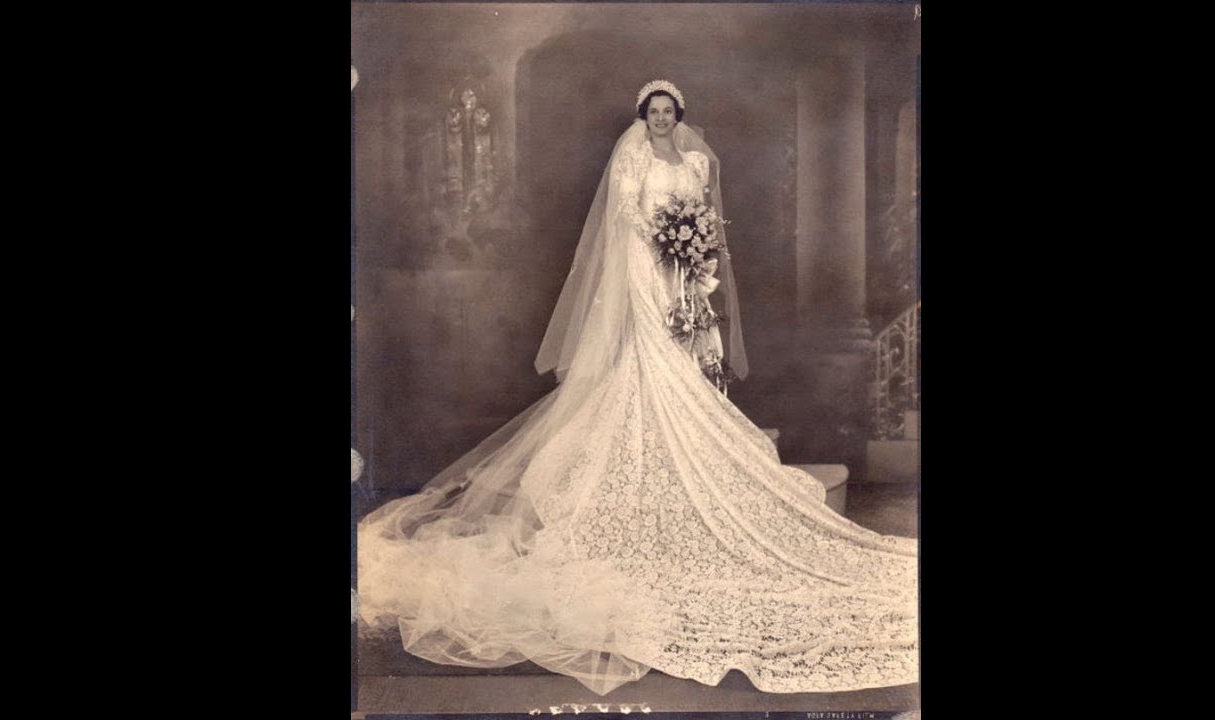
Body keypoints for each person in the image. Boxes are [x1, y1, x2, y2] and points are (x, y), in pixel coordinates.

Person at [357, 80, 918, 696]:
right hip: (646, 279)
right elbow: (626, 222)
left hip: (685, 279)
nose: (658, 119)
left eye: (667, 112)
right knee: (648, 373)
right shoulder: (631, 158)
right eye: (651, 111)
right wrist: (658, 275)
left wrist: (695, 265)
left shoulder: (698, 160)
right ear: (642, 117)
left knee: (691, 373)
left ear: (679, 115)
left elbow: (706, 226)